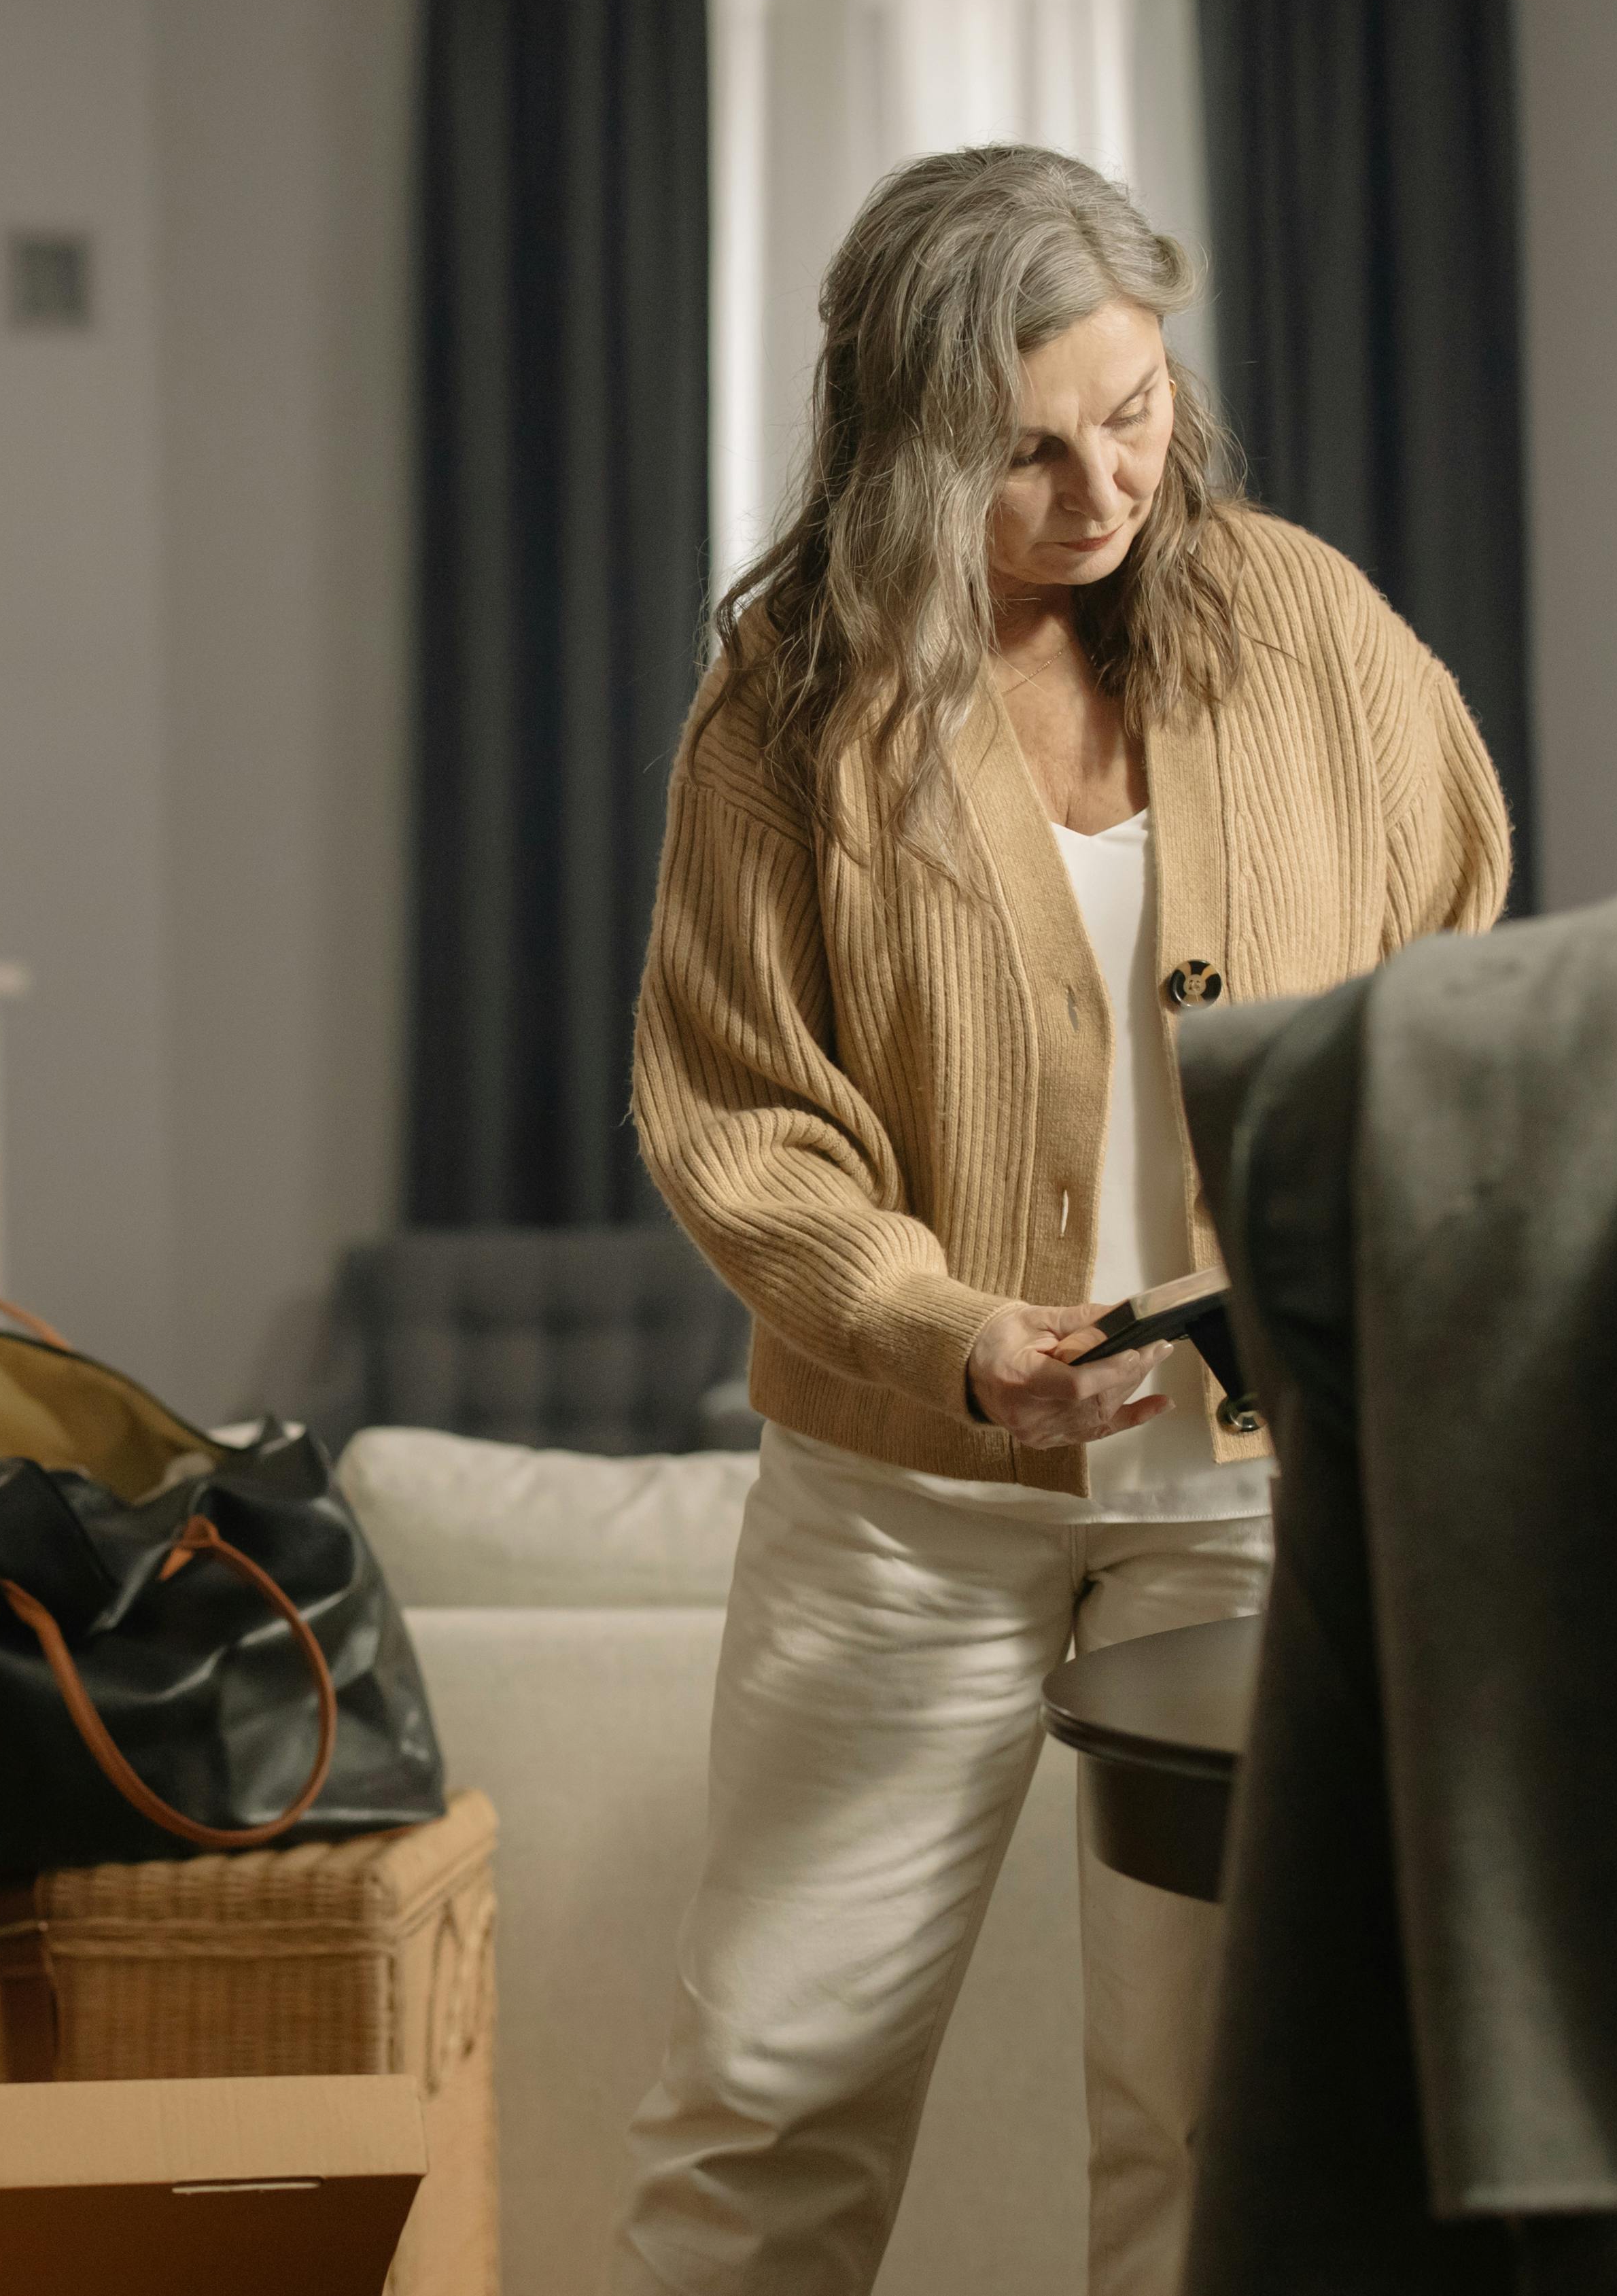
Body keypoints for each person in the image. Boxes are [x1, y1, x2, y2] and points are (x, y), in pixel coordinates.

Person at [610, 145, 1508, 2296]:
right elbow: (733, 1113)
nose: (1103, 481)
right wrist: (940, 1323)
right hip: (901, 1495)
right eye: (1023, 451)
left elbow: (1459, 959)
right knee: (772, 2080)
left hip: (1245, 1493)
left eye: (1134, 407)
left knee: (1219, 2106)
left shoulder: (1313, 629)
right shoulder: (786, 706)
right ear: (903, 447)